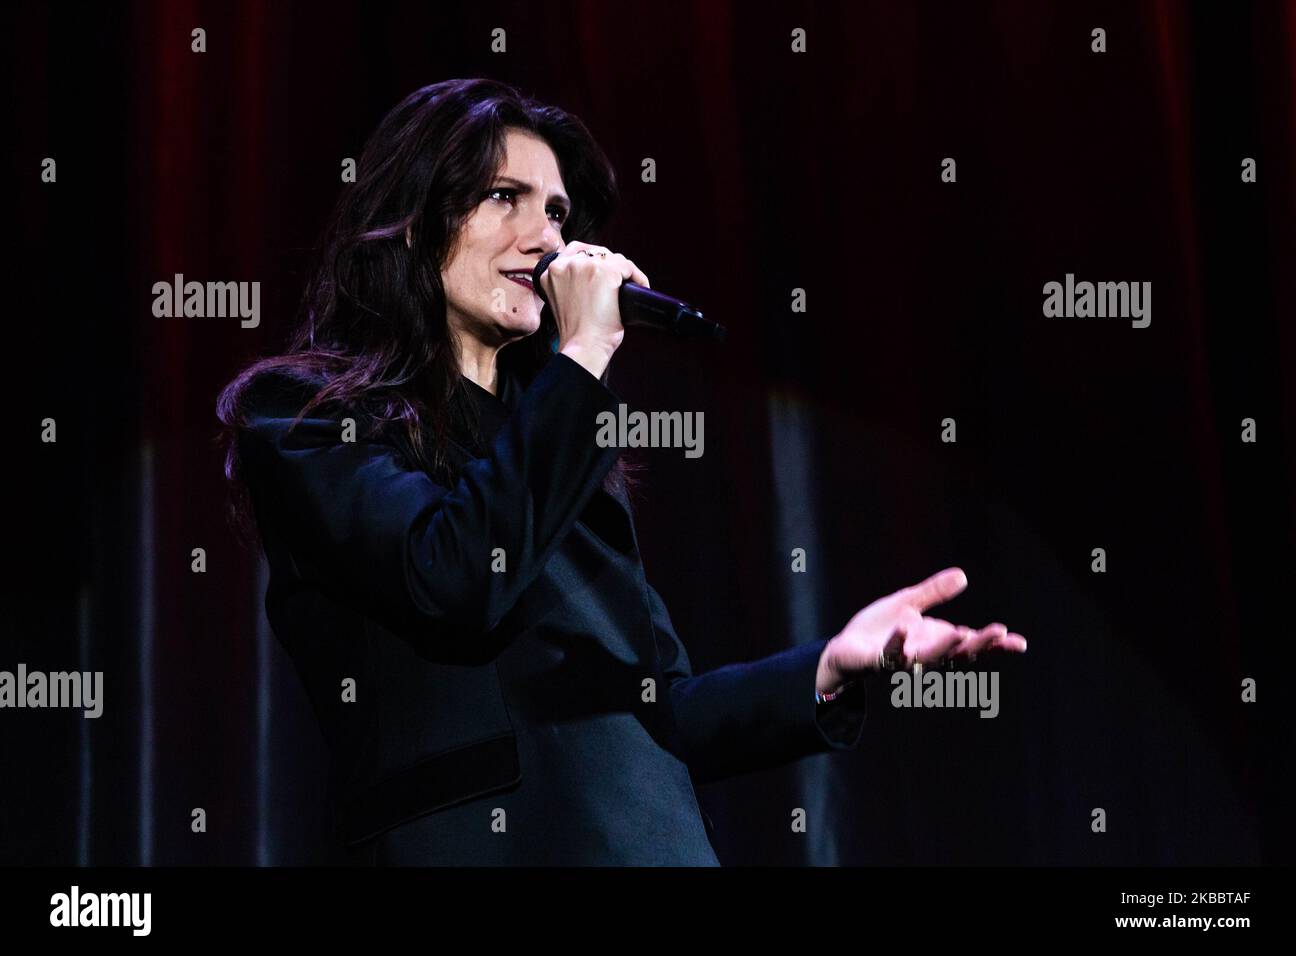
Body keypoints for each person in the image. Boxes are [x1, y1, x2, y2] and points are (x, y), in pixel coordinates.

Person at [216, 78, 1026, 866]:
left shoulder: (567, 451)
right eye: (506, 197)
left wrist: (828, 667)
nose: (548, 239)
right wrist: (585, 354)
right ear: (417, 217)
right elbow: (453, 573)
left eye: (558, 211)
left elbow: (657, 709)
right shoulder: (304, 412)